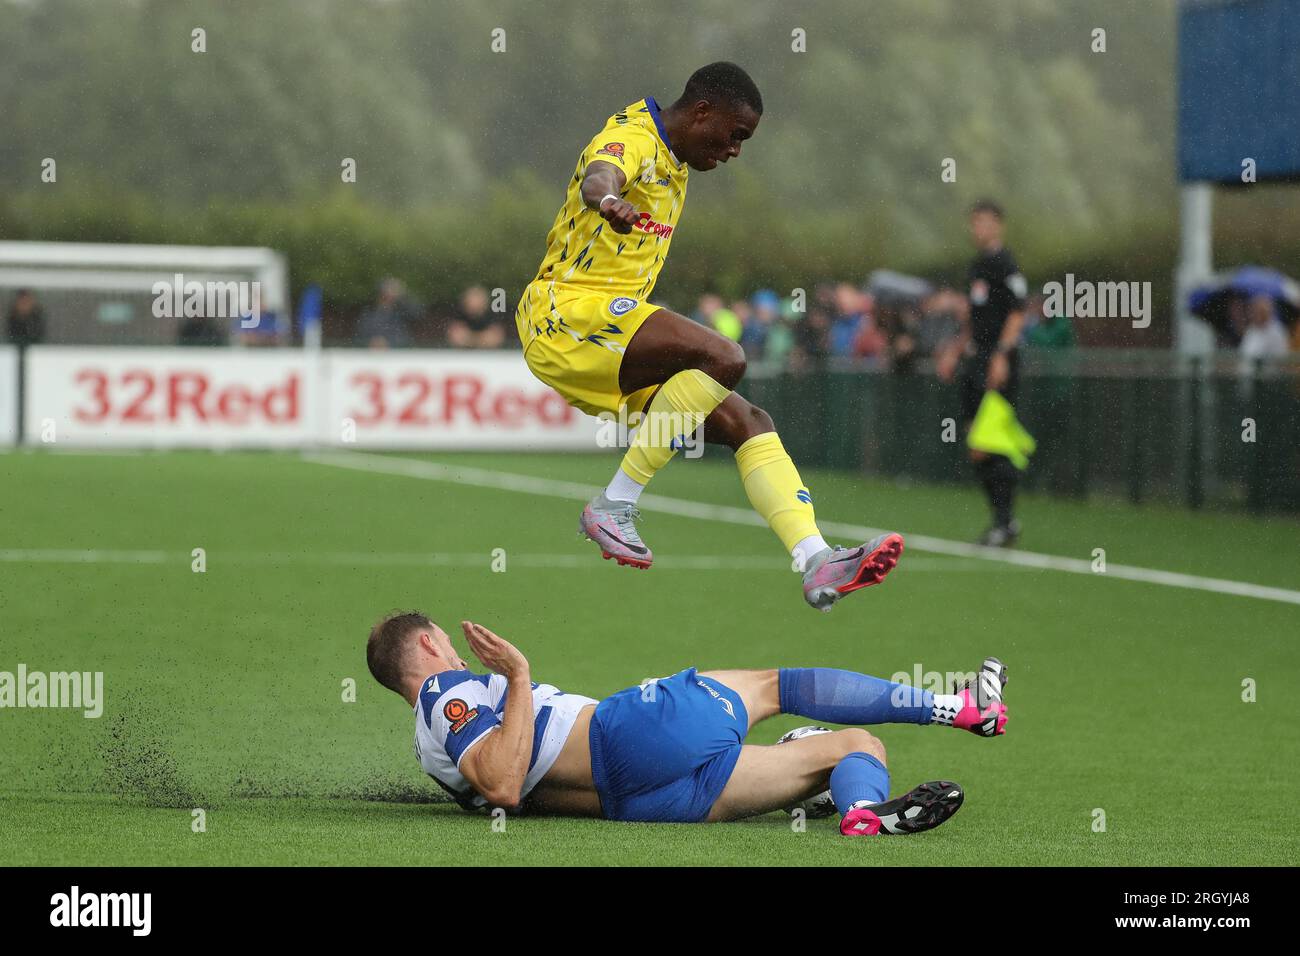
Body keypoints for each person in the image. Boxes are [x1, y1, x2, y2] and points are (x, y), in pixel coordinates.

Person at [512, 62, 902, 610]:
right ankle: (614, 504)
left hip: (605, 336)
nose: (737, 149)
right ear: (701, 112)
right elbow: (600, 172)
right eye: (735, 134)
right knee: (723, 355)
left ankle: (815, 560)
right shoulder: (634, 136)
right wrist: (606, 199)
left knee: (750, 422)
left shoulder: (678, 160)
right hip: (565, 314)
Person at [366, 611, 1009, 834]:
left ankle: (862, 815)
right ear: (425, 647)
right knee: (774, 685)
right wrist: (521, 675)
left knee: (851, 749)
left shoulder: (430, 754)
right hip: (625, 737)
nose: (452, 653)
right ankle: (964, 709)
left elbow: (502, 790)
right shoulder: (444, 692)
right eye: (444, 643)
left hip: (646, 801)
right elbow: (505, 784)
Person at [937, 199, 1029, 547]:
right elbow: (974, 320)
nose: (978, 228)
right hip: (976, 360)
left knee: (994, 442)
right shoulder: (977, 266)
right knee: (977, 442)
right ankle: (1002, 520)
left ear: (998, 225)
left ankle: (1004, 522)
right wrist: (954, 350)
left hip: (996, 362)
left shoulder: (1006, 263)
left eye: (984, 222)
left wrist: (1002, 354)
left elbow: (1018, 312)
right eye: (974, 222)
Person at [356, 277, 415, 349]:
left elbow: (418, 314)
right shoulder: (368, 314)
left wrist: (404, 295)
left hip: (397, 354)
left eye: (394, 291)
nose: (391, 296)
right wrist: (372, 342)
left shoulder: (402, 313)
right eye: (389, 291)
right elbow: (360, 335)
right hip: (372, 354)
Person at [447, 285, 507, 349]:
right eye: (471, 302)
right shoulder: (458, 315)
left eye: (477, 302)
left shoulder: (492, 317)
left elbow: (495, 339)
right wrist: (482, 339)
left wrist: (469, 338)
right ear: (465, 302)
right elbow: (456, 338)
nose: (474, 306)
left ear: (485, 303)